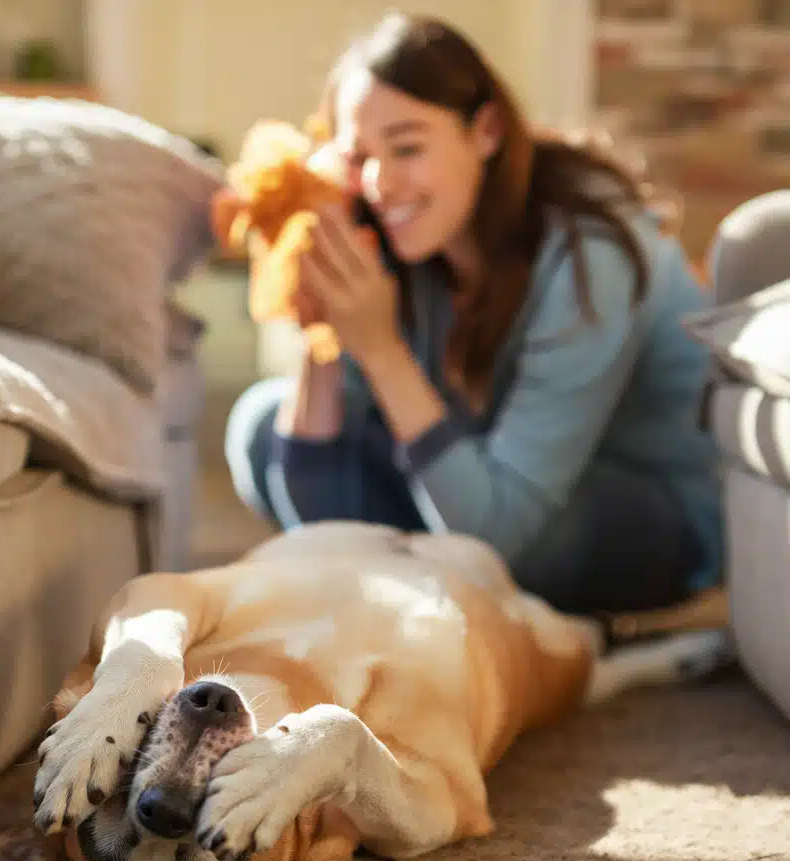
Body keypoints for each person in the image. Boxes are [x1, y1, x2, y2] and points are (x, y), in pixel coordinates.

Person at [224, 12, 723, 616]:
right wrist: (321, 333)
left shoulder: (591, 255)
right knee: (262, 428)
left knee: (492, 539)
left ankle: (414, 590)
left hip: (644, 514)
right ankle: (413, 593)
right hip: (481, 492)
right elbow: (315, 511)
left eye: (407, 147)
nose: (381, 182)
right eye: (359, 156)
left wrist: (381, 351)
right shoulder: (397, 242)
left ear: (485, 131)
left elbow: (496, 533)